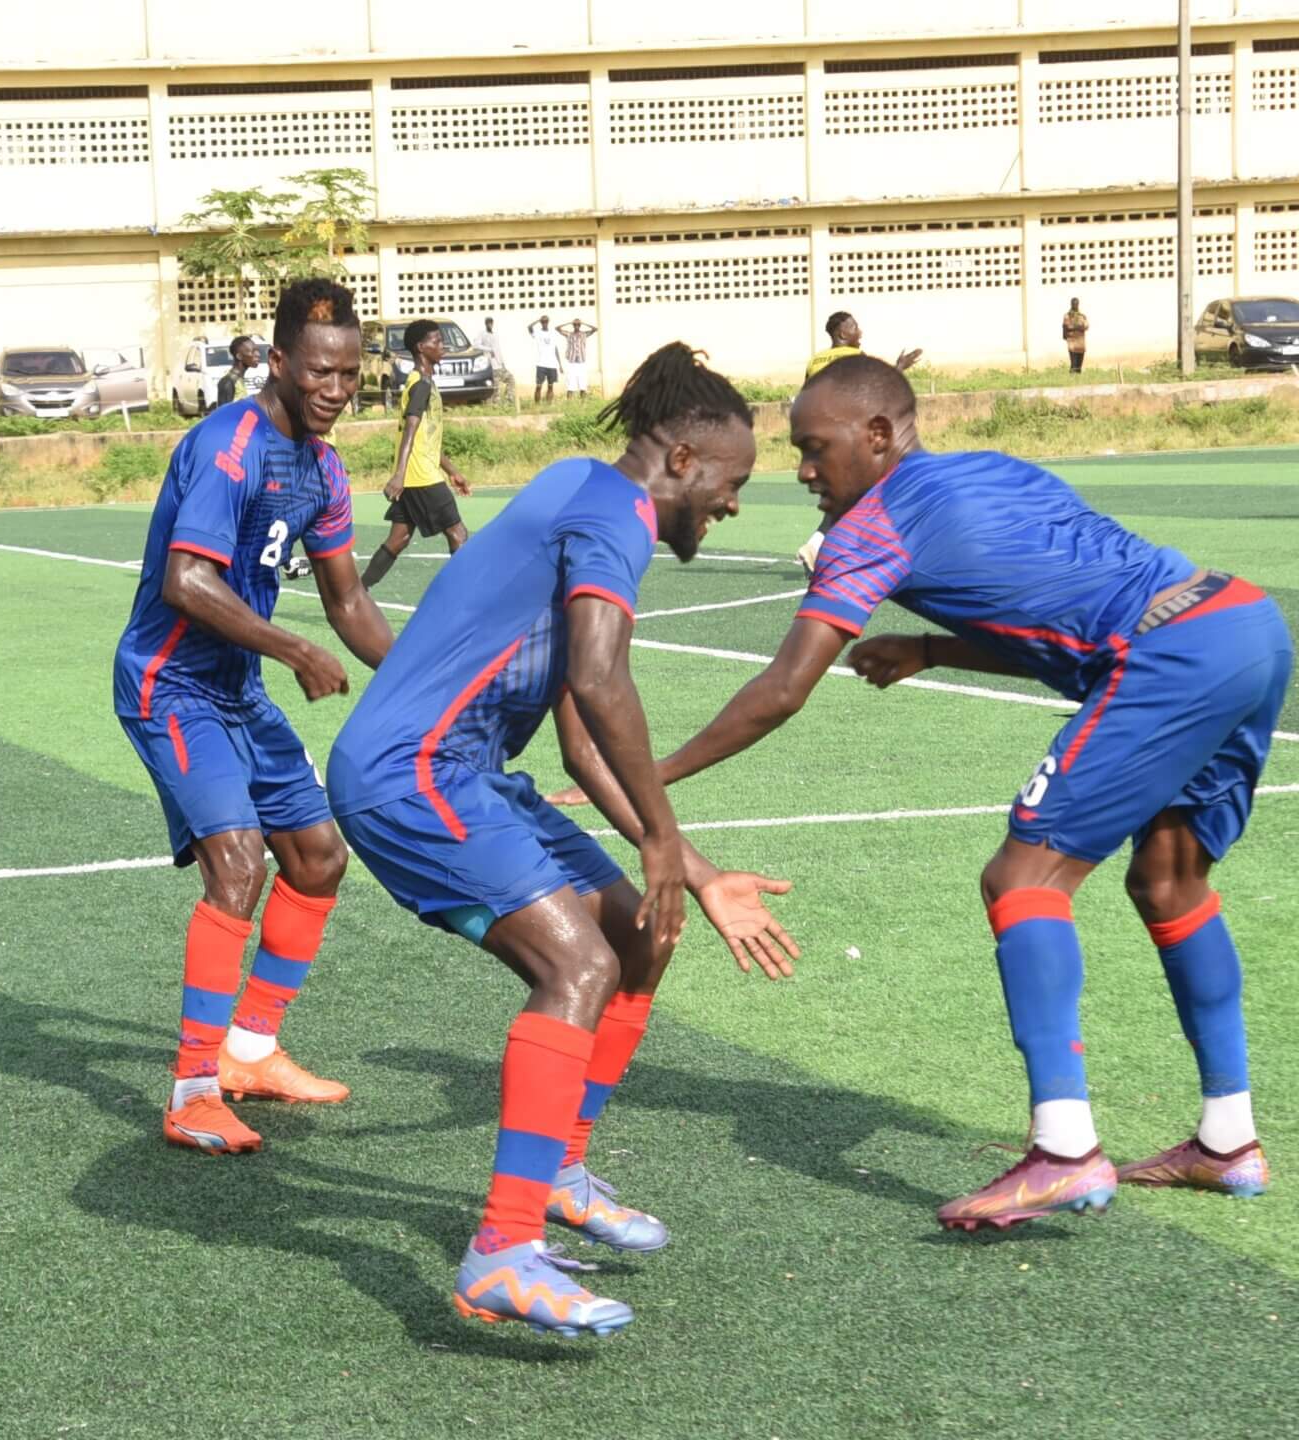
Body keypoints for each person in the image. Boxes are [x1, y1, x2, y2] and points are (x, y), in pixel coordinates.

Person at [645, 356, 1292, 1233]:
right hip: (1241, 621)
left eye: (813, 447)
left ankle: (1064, 1152)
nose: (802, 470)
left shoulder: (867, 530)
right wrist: (934, 650)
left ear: (877, 437)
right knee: (1171, 883)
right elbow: (1073, 611)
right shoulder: (993, 467)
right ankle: (1229, 1142)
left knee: (1022, 878)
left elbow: (782, 690)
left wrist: (650, 773)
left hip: (1170, 660)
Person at [325, 342, 801, 1337]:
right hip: (407, 775)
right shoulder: (608, 510)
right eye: (732, 480)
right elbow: (596, 678)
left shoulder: (584, 499)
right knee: (578, 963)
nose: (732, 503)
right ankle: (501, 1251)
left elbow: (583, 744)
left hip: (462, 773)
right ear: (679, 457)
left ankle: (558, 1174)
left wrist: (691, 872)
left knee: (640, 932)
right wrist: (666, 841)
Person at [111, 278, 399, 1158]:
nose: (336, 390)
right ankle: (193, 1091)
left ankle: (250, 1050)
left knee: (316, 860)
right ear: (278, 363)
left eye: (350, 375)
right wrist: (295, 650)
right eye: (320, 372)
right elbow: (186, 584)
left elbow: (349, 601)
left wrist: (422, 686)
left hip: (238, 685)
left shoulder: (323, 468)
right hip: (170, 684)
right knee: (235, 867)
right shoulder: (229, 445)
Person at [360, 318, 473, 588]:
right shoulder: (421, 384)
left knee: (398, 539)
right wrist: (398, 475)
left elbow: (426, 436)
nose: (442, 346)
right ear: (421, 348)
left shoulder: (419, 382)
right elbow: (411, 428)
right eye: (437, 342)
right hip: (420, 476)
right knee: (458, 534)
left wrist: (452, 470)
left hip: (416, 472)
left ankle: (357, 591)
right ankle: (461, 602)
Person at [804, 311, 920, 381]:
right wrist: (900, 366)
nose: (860, 332)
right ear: (843, 334)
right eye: (855, 328)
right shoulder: (857, 356)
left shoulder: (814, 361)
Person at [215, 334, 262, 408]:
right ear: (239, 356)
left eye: (257, 350)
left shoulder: (239, 379)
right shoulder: (228, 382)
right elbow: (223, 416)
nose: (258, 354)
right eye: (253, 351)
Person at [560, 318, 598, 397]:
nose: (576, 326)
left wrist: (583, 322)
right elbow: (557, 328)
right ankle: (569, 404)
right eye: (575, 324)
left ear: (580, 325)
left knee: (582, 385)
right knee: (570, 385)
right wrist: (569, 322)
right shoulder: (569, 334)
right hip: (571, 363)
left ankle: (583, 405)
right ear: (573, 325)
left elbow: (595, 329)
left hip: (581, 362)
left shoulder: (584, 334)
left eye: (578, 324)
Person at [531, 316, 563, 403]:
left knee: (550, 386)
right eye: (543, 322)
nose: (544, 323)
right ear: (541, 322)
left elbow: (555, 349)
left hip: (552, 364)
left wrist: (560, 365)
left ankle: (548, 405)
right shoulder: (538, 333)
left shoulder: (552, 333)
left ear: (548, 322)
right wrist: (538, 320)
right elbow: (529, 327)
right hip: (541, 364)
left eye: (546, 321)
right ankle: (536, 406)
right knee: (538, 386)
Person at [1063, 300, 1089, 375]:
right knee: (1073, 363)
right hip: (1072, 343)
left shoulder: (1082, 316)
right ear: (1071, 304)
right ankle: (1072, 377)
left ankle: (1078, 379)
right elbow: (1067, 326)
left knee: (1079, 364)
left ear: (1078, 304)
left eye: (1076, 304)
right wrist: (1078, 327)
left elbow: (1086, 326)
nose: (1075, 305)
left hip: (1081, 343)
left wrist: (1075, 327)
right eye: (1074, 304)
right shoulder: (1067, 315)